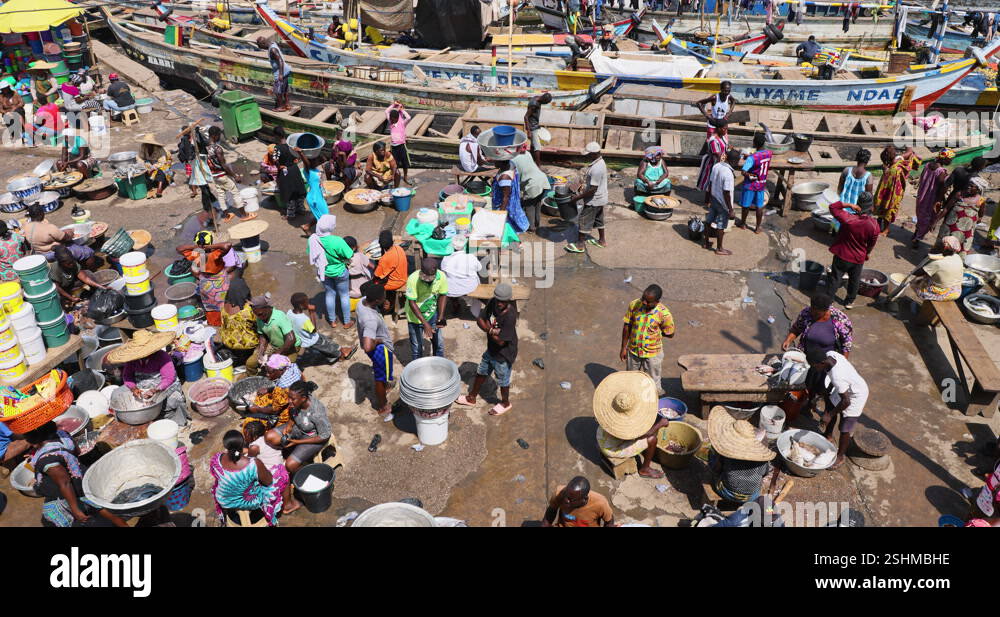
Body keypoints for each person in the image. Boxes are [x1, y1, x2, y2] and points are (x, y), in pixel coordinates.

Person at [25, 422, 128, 527]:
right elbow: (77, 451)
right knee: (104, 510)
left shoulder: (49, 460)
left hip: (67, 494)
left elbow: (65, 484)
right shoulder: (63, 435)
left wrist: (75, 509)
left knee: (54, 519)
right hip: (83, 481)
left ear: (32, 439)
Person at [455, 283, 519, 415]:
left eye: (502, 301)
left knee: (503, 380)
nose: (499, 303)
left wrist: (488, 328)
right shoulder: (493, 302)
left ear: (508, 300)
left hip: (503, 354)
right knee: (481, 371)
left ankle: (505, 403)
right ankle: (471, 397)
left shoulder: (510, 316)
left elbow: (501, 342)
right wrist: (491, 330)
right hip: (491, 349)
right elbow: (480, 319)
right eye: (498, 300)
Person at [594, 371, 671, 479]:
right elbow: (639, 435)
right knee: (652, 438)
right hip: (612, 448)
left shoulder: (614, 401)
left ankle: (646, 453)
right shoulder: (626, 428)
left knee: (652, 426)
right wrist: (660, 424)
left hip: (602, 435)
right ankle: (645, 469)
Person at [109, 330, 189, 426]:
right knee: (116, 394)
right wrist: (134, 388)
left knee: (174, 400)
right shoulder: (132, 360)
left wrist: (155, 390)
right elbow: (127, 376)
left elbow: (168, 378)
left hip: (163, 386)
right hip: (141, 386)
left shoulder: (162, 356)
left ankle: (168, 419)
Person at [807, 348, 869, 469]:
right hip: (845, 389)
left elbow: (846, 401)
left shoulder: (837, 376)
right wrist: (826, 393)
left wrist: (829, 415)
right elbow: (834, 378)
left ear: (822, 363)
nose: (814, 369)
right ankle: (828, 435)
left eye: (814, 366)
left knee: (844, 428)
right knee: (830, 404)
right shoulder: (831, 355)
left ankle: (840, 457)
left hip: (856, 394)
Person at [210, 430, 284, 526]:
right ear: (243, 445)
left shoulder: (216, 459)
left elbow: (216, 476)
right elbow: (268, 481)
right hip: (250, 502)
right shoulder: (253, 464)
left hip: (224, 499)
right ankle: (275, 514)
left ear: (225, 445)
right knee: (281, 474)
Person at [706, 407, 777, 503]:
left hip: (727, 492)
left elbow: (717, 469)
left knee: (713, 459)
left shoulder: (728, 453)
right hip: (751, 496)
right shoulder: (762, 458)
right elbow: (765, 473)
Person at [620, 284, 675, 397]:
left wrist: (655, 333)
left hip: (653, 354)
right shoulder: (634, 305)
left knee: (653, 383)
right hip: (633, 351)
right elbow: (627, 326)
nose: (644, 302)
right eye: (643, 298)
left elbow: (670, 333)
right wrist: (623, 348)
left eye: (648, 301)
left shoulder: (664, 314)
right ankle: (633, 402)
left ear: (657, 301)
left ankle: (652, 405)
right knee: (631, 379)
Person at [827, 192, 879, 309]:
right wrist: (867, 253)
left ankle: (829, 300)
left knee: (835, 277)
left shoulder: (847, 218)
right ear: (871, 207)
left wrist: (849, 205)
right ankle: (849, 301)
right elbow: (871, 244)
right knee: (855, 279)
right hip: (858, 257)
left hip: (842, 254)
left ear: (858, 205)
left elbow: (833, 207)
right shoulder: (874, 225)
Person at [177, 231, 235, 326]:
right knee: (224, 304)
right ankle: (227, 324)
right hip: (220, 283)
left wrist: (197, 247)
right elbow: (227, 245)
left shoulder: (196, 255)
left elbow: (179, 249)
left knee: (211, 307)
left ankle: (215, 325)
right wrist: (208, 246)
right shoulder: (215, 254)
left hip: (206, 285)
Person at [242, 422, 298, 515]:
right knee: (284, 479)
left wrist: (244, 452)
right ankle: (287, 502)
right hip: (281, 466)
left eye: (246, 435)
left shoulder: (254, 447)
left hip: (271, 472)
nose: (245, 438)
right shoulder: (272, 437)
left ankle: (278, 504)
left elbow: (250, 460)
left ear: (254, 436)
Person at [356, 282, 395, 415]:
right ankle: (383, 406)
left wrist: (384, 309)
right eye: (384, 295)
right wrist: (379, 340)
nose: (386, 296)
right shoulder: (370, 319)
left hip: (374, 346)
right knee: (380, 378)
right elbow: (368, 346)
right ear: (377, 300)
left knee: (381, 374)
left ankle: (386, 386)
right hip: (380, 350)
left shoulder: (362, 301)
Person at [287, 292, 356, 365]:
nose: (308, 303)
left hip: (304, 338)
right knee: (327, 348)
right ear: (301, 305)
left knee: (327, 341)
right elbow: (313, 330)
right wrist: (312, 312)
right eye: (306, 302)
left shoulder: (289, 313)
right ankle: (341, 356)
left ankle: (341, 349)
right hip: (313, 339)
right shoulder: (304, 319)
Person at [238, 354, 302, 431]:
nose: (267, 375)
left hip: (286, 412)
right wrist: (269, 390)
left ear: (280, 370)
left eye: (270, 372)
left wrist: (258, 409)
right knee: (262, 396)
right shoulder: (291, 368)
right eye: (266, 372)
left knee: (249, 424)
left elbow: (275, 410)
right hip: (285, 400)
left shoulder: (283, 389)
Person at [280, 381, 331, 475]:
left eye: (292, 399)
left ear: (303, 398)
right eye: (289, 397)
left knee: (290, 465)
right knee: (270, 437)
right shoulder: (295, 402)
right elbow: (292, 413)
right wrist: (289, 425)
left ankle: (312, 475)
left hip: (313, 436)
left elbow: (325, 436)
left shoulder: (316, 413)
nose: (289, 401)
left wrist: (297, 442)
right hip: (299, 427)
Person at [566, 142, 608, 253]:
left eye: (589, 154)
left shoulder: (597, 169)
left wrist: (577, 197)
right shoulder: (599, 162)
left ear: (594, 153)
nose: (587, 156)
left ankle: (580, 245)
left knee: (584, 220)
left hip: (594, 199)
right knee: (599, 219)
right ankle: (602, 240)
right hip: (601, 197)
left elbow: (593, 189)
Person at [23, 202, 93, 266]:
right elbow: (66, 237)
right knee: (88, 252)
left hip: (39, 252)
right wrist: (70, 231)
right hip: (52, 253)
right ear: (42, 214)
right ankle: (88, 270)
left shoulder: (26, 226)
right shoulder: (49, 227)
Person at [406, 257, 448, 360]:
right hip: (414, 318)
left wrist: (441, 316)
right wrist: (425, 324)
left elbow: (443, 295)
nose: (427, 281)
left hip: (432, 314)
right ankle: (417, 372)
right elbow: (412, 302)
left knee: (439, 345)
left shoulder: (441, 276)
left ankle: (439, 367)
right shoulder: (413, 279)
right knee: (417, 348)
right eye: (424, 278)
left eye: (429, 279)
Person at [206, 125, 250, 222]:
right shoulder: (217, 149)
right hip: (222, 175)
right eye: (218, 135)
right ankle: (243, 215)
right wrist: (234, 176)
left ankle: (226, 216)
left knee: (221, 195)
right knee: (235, 193)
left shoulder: (206, 148)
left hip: (214, 176)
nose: (219, 137)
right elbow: (224, 165)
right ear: (214, 135)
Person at [249, 294, 301, 374]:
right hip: (275, 347)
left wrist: (276, 355)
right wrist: (261, 352)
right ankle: (255, 379)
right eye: (256, 315)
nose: (259, 317)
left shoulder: (279, 316)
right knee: (250, 364)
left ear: (267, 308)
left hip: (291, 347)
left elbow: (291, 339)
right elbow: (263, 335)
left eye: (260, 314)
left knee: (274, 368)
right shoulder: (259, 318)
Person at [912, 149, 953, 248]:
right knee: (928, 219)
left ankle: (916, 233)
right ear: (945, 159)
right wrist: (941, 199)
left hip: (922, 194)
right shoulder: (941, 172)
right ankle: (917, 239)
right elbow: (942, 186)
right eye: (950, 159)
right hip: (931, 198)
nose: (951, 161)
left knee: (921, 216)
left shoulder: (928, 165)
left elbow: (922, 178)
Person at [937, 176, 988, 256]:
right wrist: (935, 221)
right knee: (945, 244)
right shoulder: (959, 195)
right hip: (950, 227)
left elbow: (980, 215)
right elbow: (946, 208)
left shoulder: (981, 200)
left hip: (966, 231)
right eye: (969, 184)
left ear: (978, 189)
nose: (968, 187)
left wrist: (973, 222)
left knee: (960, 249)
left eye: (972, 186)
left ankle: (955, 265)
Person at [873, 145, 918, 234]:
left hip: (890, 192)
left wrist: (886, 170)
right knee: (886, 208)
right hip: (894, 191)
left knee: (887, 208)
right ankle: (880, 222)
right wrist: (908, 146)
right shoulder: (899, 161)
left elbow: (888, 178)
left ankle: (886, 230)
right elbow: (909, 153)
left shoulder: (890, 168)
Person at [317, 223, 355, 328]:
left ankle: (332, 321)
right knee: (344, 295)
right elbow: (349, 254)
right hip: (339, 272)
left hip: (324, 272)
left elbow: (312, 255)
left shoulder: (313, 241)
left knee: (329, 294)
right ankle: (347, 322)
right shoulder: (337, 240)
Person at [704, 149, 740, 256]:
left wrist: (709, 198)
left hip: (714, 198)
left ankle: (706, 242)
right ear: (734, 161)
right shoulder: (728, 174)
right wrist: (730, 209)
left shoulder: (717, 166)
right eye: (738, 161)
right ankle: (719, 248)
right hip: (722, 203)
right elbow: (726, 193)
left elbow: (710, 183)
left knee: (708, 220)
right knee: (721, 225)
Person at [542, 476, 614, 527]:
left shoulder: (600, 503)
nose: (566, 500)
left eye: (570, 499)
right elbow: (551, 511)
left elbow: (609, 522)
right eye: (565, 495)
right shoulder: (559, 493)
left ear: (584, 499)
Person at [910, 236, 965, 302]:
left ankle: (926, 302)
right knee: (932, 275)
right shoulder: (957, 257)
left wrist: (928, 256)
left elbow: (916, 272)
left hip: (945, 293)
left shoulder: (937, 263)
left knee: (915, 283)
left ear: (943, 247)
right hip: (957, 291)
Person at [440, 237, 483, 318]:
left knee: (450, 281)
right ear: (465, 246)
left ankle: (455, 305)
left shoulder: (446, 259)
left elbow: (443, 271)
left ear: (452, 246)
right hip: (470, 287)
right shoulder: (471, 257)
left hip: (452, 290)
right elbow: (479, 268)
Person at [272, 127, 308, 220]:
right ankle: (301, 209)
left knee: (289, 192)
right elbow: (299, 154)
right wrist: (295, 160)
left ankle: (291, 214)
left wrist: (279, 166)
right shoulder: (291, 144)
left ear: (276, 136)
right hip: (295, 169)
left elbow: (275, 159)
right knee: (298, 190)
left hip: (285, 171)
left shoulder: (277, 147)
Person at [737, 133, 771, 233]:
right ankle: (757, 227)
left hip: (750, 185)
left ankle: (743, 224)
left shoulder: (752, 159)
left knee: (746, 205)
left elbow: (743, 172)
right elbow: (760, 158)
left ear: (754, 143)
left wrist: (752, 176)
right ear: (764, 143)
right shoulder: (769, 153)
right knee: (759, 206)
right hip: (761, 184)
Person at [511, 149, 551, 233]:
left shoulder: (511, 159)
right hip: (542, 179)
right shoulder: (526, 153)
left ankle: (531, 227)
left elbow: (514, 177)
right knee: (537, 203)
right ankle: (537, 224)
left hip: (532, 183)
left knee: (529, 206)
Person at [373, 229, 408, 314]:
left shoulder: (386, 258)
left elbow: (377, 275)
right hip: (403, 277)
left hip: (396, 283)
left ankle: (384, 305)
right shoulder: (399, 248)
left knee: (372, 284)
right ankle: (388, 300)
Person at [294, 146, 328, 232]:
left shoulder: (315, 169)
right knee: (324, 215)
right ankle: (321, 234)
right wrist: (301, 153)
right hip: (314, 197)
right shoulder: (308, 170)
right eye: (316, 160)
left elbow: (324, 158)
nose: (318, 162)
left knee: (321, 215)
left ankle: (307, 226)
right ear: (311, 162)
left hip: (319, 195)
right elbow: (307, 163)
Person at [696, 120, 729, 207]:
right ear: (719, 129)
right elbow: (717, 155)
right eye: (724, 129)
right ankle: (708, 202)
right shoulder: (713, 140)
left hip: (720, 161)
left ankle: (711, 200)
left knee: (714, 181)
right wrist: (728, 161)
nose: (726, 131)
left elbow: (726, 147)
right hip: (713, 162)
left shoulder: (722, 137)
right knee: (711, 181)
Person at [491, 159, 530, 233]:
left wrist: (500, 215)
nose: (494, 162)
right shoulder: (511, 164)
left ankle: (511, 239)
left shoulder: (504, 178)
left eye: (496, 160)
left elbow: (505, 198)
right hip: (509, 200)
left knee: (506, 226)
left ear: (502, 162)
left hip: (503, 205)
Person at [258, 36, 291, 112]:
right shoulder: (272, 43)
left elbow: (280, 61)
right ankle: (287, 104)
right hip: (286, 70)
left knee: (277, 91)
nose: (263, 48)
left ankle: (281, 107)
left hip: (281, 71)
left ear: (263, 43)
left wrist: (280, 74)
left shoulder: (272, 50)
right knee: (285, 89)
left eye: (261, 47)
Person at [138, 133, 172, 199]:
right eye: (146, 143)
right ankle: (149, 184)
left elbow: (162, 161)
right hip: (150, 163)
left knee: (161, 171)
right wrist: (143, 165)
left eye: (149, 143)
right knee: (143, 171)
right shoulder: (143, 146)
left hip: (163, 162)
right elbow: (140, 157)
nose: (147, 145)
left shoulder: (159, 149)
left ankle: (159, 188)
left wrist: (153, 168)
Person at [386, 101, 412, 185]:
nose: (391, 120)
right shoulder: (390, 122)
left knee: (405, 163)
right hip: (393, 147)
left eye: (393, 119)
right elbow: (386, 111)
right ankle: (394, 176)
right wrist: (393, 105)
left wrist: (402, 110)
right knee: (394, 163)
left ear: (397, 118)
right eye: (390, 118)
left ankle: (405, 177)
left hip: (401, 146)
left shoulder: (402, 123)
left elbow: (408, 117)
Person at [524, 92, 553, 165]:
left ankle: (531, 161)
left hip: (535, 125)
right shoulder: (534, 104)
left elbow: (533, 115)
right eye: (545, 102)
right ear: (543, 99)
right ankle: (538, 165)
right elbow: (526, 116)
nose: (545, 104)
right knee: (537, 147)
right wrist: (529, 131)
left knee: (533, 146)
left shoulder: (536, 97)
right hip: (532, 128)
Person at [307, 214, 337, 283]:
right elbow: (348, 255)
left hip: (322, 271)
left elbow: (310, 252)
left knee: (329, 291)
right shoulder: (336, 240)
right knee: (343, 293)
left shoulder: (312, 239)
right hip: (336, 270)